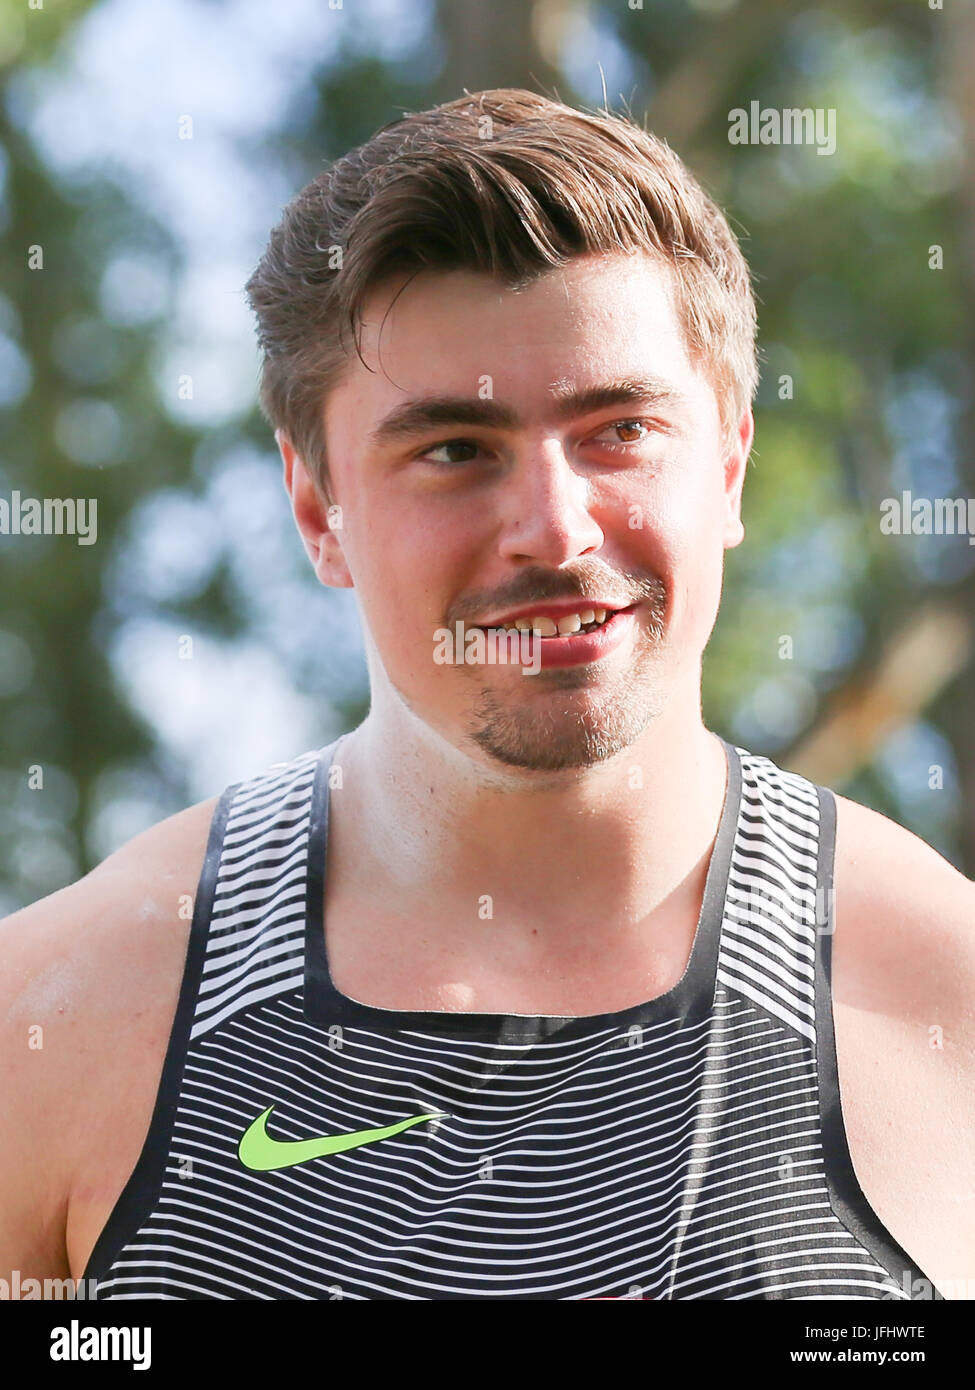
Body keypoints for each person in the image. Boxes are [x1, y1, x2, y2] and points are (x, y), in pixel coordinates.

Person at [2, 88, 972, 1302]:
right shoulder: (59, 1021)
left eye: (619, 429)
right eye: (455, 448)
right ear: (319, 509)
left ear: (728, 460)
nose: (554, 532)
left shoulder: (946, 998)